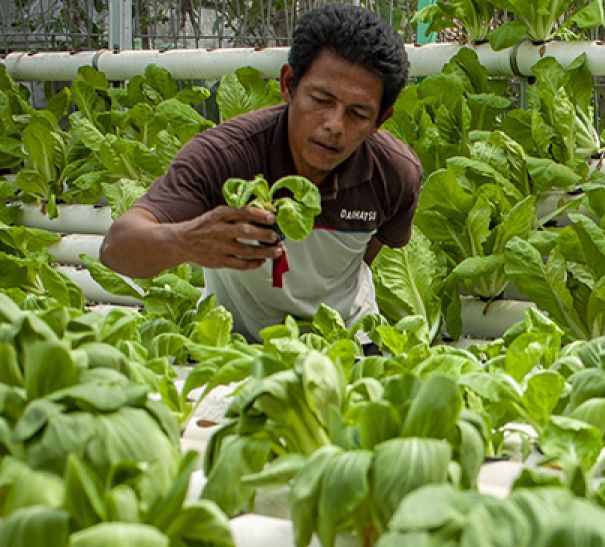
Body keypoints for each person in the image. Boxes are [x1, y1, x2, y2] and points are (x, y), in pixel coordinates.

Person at [100, 4, 423, 342]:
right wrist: (186, 241)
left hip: (344, 344)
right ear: (288, 84)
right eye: (321, 100)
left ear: (380, 120)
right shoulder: (226, 155)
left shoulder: (395, 173)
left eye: (357, 113)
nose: (334, 125)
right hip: (237, 346)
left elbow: (365, 258)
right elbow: (115, 248)